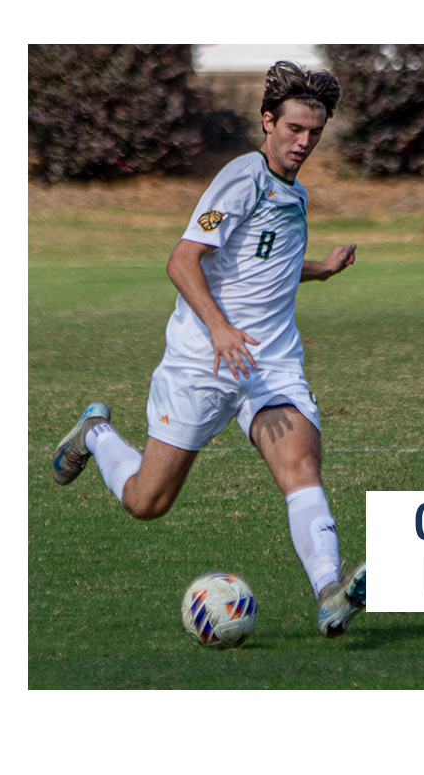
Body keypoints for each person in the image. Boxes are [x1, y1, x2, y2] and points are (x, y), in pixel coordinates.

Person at [49, 61, 367, 638]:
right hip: (205, 361)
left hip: (270, 362)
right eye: (294, 129)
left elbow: (263, 266)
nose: (304, 142)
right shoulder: (242, 177)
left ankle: (329, 593)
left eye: (314, 133)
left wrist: (321, 269)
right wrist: (220, 329)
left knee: (301, 467)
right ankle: (96, 434)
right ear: (267, 121)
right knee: (148, 501)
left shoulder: (291, 193)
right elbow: (182, 259)